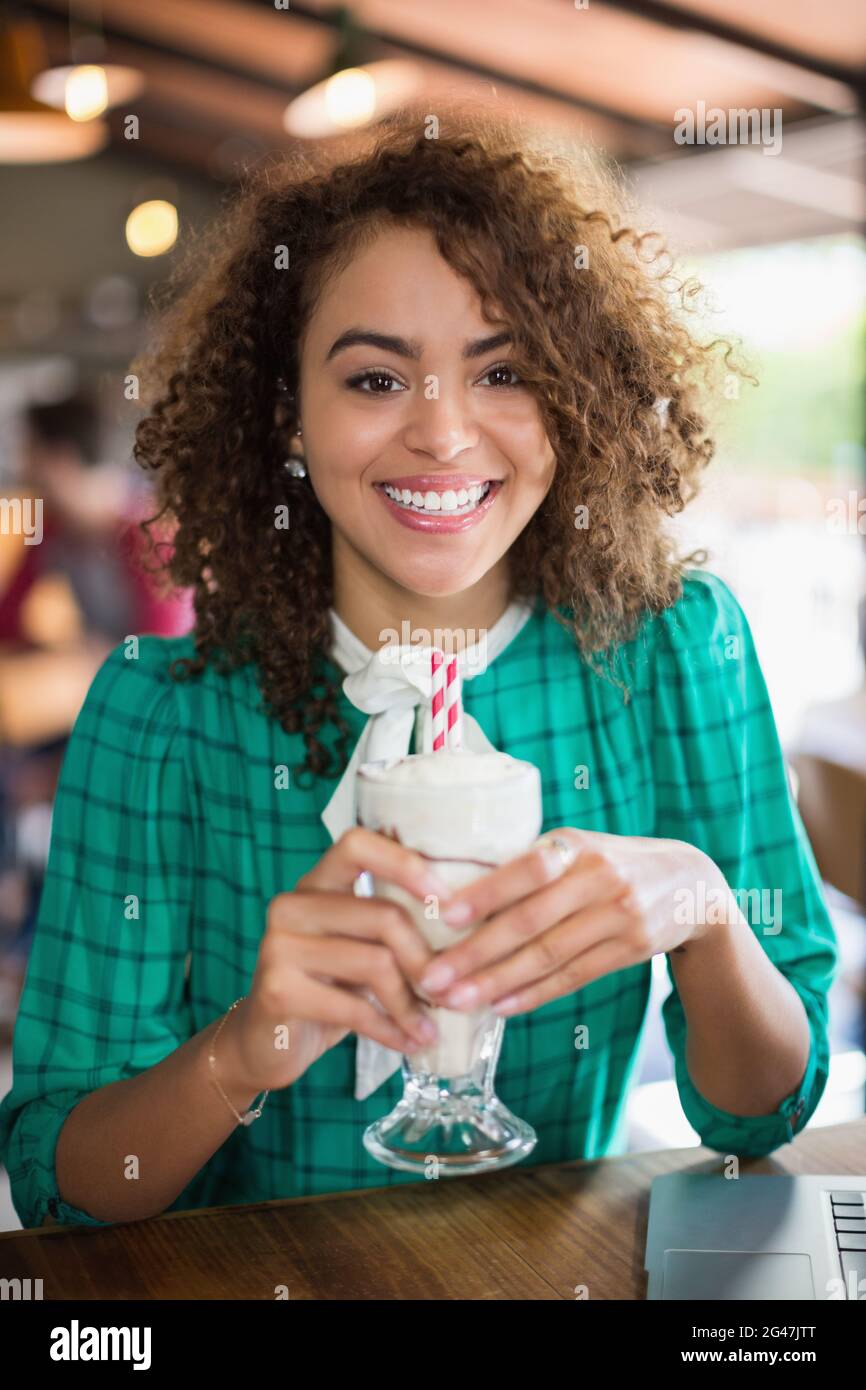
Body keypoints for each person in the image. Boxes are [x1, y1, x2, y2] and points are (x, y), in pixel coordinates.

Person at [0, 112, 838, 1228]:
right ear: (287, 416)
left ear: (572, 395)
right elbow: (61, 1190)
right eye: (375, 380)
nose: (443, 434)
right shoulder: (161, 713)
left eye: (504, 370)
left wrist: (704, 911)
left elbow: (762, 1116)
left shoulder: (677, 651)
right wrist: (242, 1049)